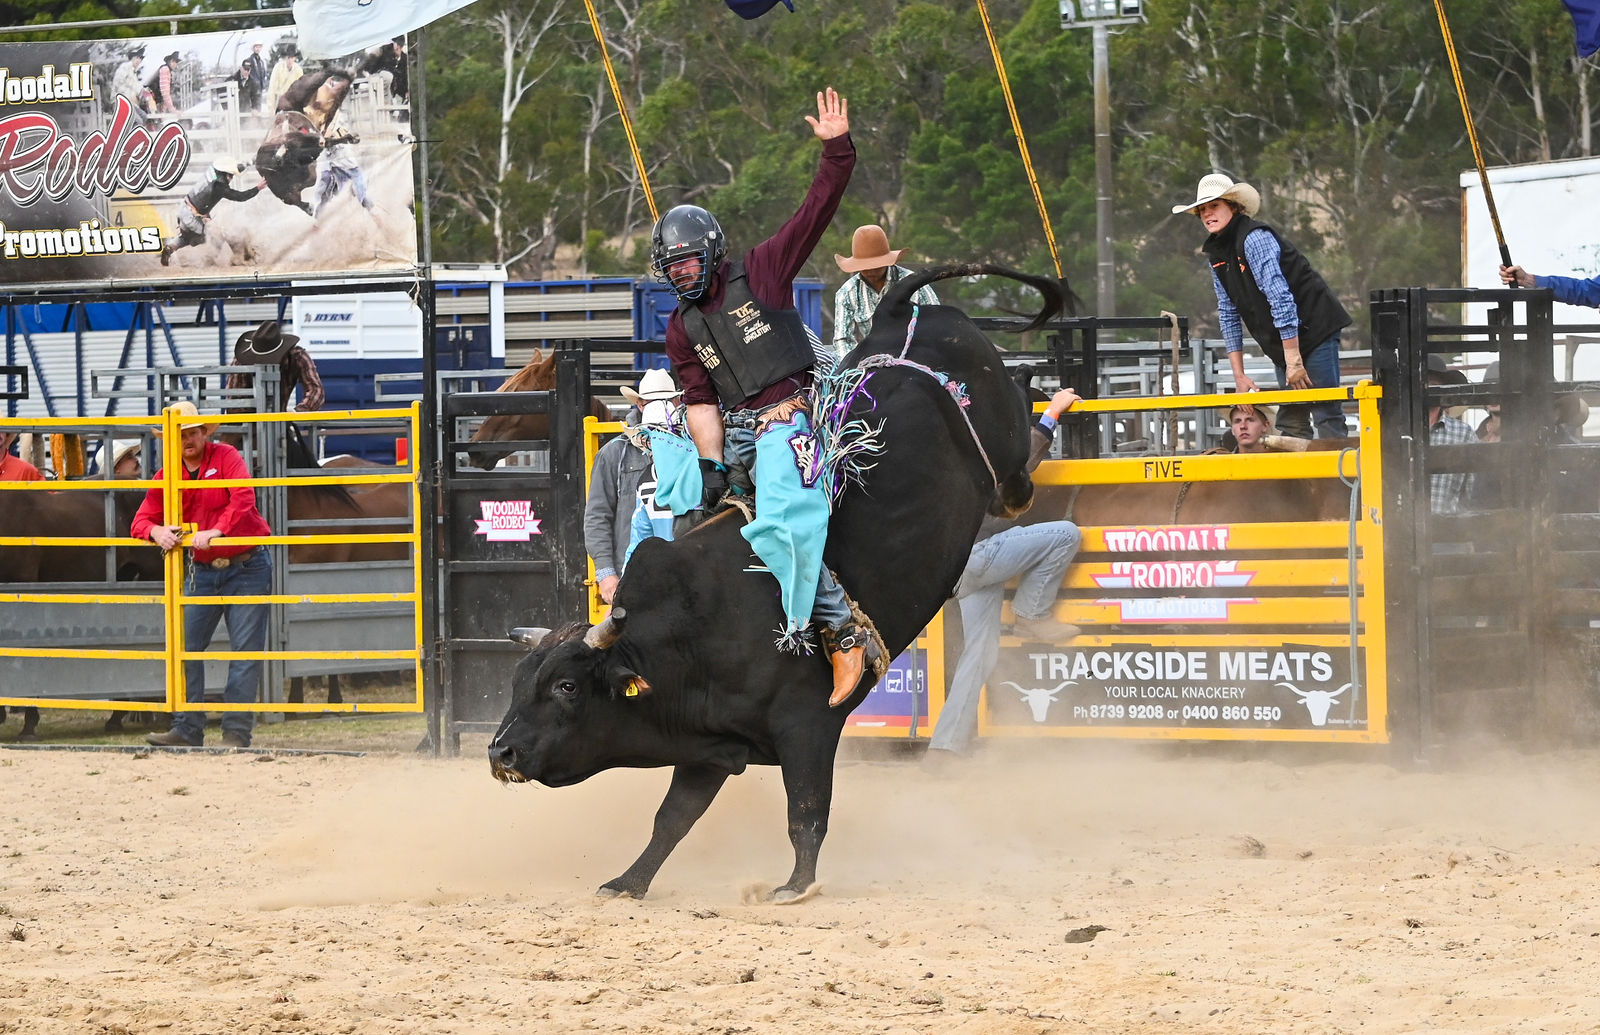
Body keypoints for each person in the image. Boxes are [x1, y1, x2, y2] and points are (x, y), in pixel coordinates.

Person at [653, 86, 869, 705]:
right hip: (737, 433)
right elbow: (698, 401)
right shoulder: (680, 327)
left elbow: (814, 213)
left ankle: (842, 631)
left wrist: (836, 150)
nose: (681, 275)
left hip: (796, 417)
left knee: (780, 517)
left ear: (713, 253)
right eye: (672, 268)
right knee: (685, 514)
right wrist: (713, 467)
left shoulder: (763, 269)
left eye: (689, 263)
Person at [926, 388, 1084, 760]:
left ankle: (944, 749)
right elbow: (1019, 464)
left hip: (958, 568)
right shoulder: (978, 450)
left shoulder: (944, 450)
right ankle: (1031, 614)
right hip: (980, 555)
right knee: (1066, 533)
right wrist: (1053, 414)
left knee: (978, 655)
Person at [131, 402, 273, 749]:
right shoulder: (165, 476)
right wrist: (157, 532)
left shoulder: (226, 456)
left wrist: (217, 531)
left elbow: (243, 499)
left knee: (244, 651)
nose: (186, 440)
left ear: (203, 433)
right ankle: (187, 728)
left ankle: (235, 733)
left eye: (192, 433)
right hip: (203, 570)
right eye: (179, 435)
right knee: (187, 648)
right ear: (169, 440)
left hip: (246, 564)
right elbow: (140, 521)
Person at [1174, 173, 1351, 441]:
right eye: (1202, 210)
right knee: (1293, 418)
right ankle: (1301, 483)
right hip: (1284, 341)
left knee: (1326, 411)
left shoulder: (1254, 238)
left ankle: (1341, 482)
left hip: (1315, 330)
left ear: (1233, 207)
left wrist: (1293, 359)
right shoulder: (1217, 255)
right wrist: (1240, 376)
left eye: (1214, 206)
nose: (1207, 214)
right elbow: (1228, 313)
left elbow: (1279, 296)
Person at [585, 368, 682, 606]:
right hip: (633, 576)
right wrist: (607, 575)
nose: (663, 406)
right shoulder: (614, 454)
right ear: (640, 404)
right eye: (655, 401)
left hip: (681, 572)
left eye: (667, 400)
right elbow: (597, 515)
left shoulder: (691, 445)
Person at [831, 224, 938, 354]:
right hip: (873, 361)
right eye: (865, 266)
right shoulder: (847, 293)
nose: (871, 270)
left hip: (916, 356)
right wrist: (853, 369)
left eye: (876, 265)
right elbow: (842, 339)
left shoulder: (914, 284)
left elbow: (936, 323)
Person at [159, 158, 265, 266]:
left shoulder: (213, 172)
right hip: (192, 217)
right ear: (225, 174)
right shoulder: (220, 188)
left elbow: (234, 168)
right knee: (219, 234)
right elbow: (241, 196)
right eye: (231, 175)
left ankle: (170, 248)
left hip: (184, 210)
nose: (232, 178)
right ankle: (235, 257)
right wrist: (258, 188)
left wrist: (251, 162)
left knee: (186, 238)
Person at [226, 320, 324, 413]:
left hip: (279, 423)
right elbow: (233, 403)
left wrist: (296, 413)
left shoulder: (296, 356)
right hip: (247, 423)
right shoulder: (241, 360)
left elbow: (316, 390)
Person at [1427, 357, 1476, 516]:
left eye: (1434, 385)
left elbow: (1472, 491)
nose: (1428, 389)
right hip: (1403, 533)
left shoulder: (1464, 434)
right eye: (1425, 383)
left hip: (1449, 532)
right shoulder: (1396, 431)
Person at [358, 36, 408, 103]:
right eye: (396, 45)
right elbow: (368, 67)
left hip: (396, 89)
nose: (397, 48)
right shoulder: (382, 51)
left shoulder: (404, 59)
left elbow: (405, 75)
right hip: (379, 81)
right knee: (387, 76)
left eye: (400, 46)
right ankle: (386, 103)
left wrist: (407, 90)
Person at [266, 46, 302, 113]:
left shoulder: (298, 70)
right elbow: (272, 88)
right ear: (285, 57)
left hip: (292, 103)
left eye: (292, 57)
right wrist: (271, 108)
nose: (290, 60)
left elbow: (300, 89)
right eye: (288, 57)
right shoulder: (278, 67)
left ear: (295, 58)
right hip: (279, 101)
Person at [245, 43, 269, 113]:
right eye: (256, 47)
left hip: (260, 87)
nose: (258, 49)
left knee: (258, 105)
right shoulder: (249, 60)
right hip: (252, 87)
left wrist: (263, 84)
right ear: (253, 48)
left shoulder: (261, 61)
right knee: (252, 105)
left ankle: (257, 120)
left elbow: (263, 74)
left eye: (259, 47)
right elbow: (247, 73)